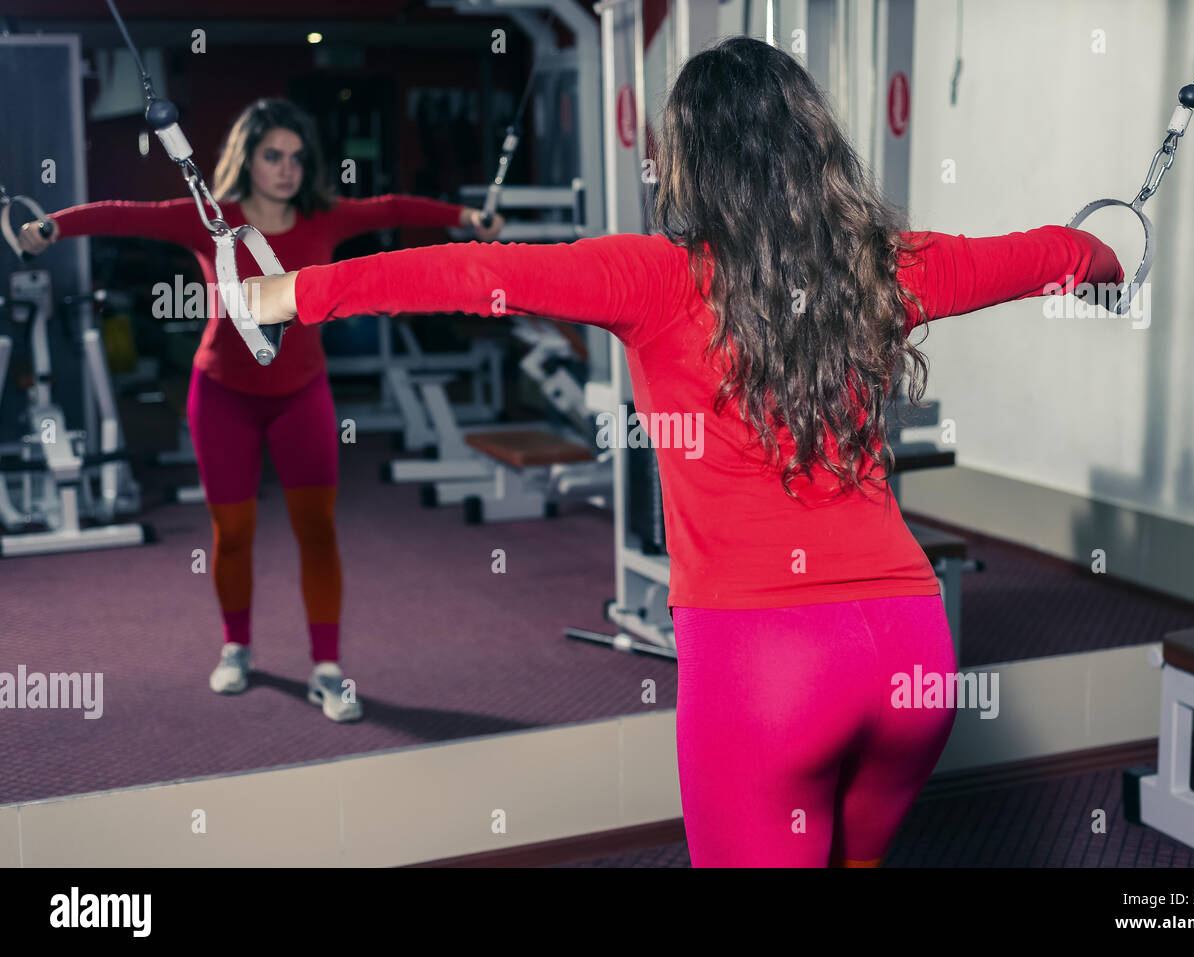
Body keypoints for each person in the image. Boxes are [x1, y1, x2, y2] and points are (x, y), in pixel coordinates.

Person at [244, 39, 1123, 865]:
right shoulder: (885, 266)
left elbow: (475, 273)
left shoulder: (654, 275)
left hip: (767, 673)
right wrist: (1110, 252)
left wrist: (289, 291)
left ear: (692, 160)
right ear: (814, 144)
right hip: (913, 655)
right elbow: (1045, 254)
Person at [20, 98, 503, 723]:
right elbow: (124, 216)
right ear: (246, 158)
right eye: (273, 155)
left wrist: (465, 215)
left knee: (318, 531)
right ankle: (237, 646)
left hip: (301, 394)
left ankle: (327, 668)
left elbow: (394, 208)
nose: (287, 169)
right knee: (234, 536)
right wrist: (53, 225)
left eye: (298, 158)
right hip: (222, 396)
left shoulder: (326, 219)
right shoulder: (209, 219)